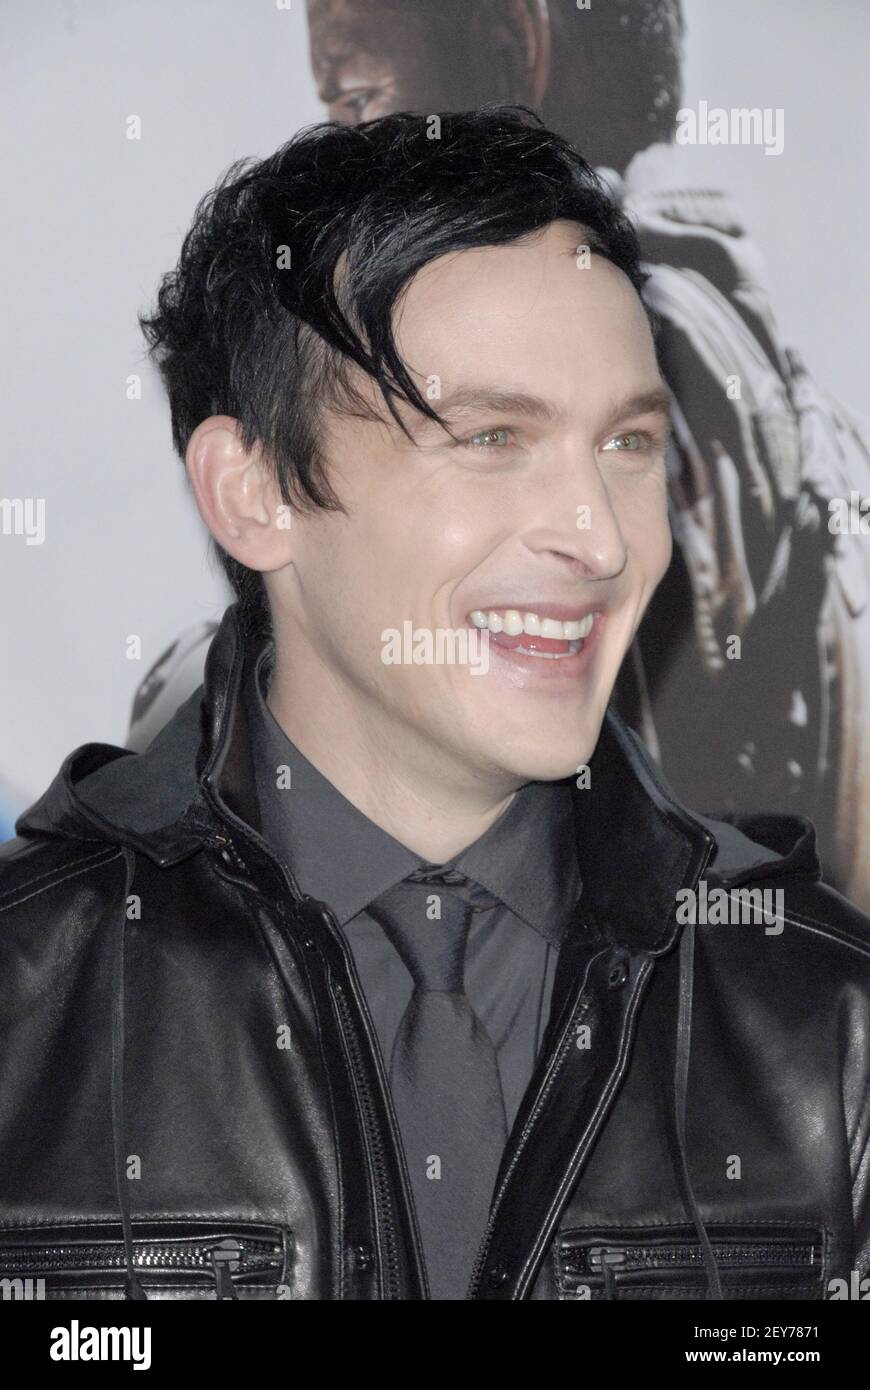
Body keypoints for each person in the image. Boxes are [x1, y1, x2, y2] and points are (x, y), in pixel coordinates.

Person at [1, 108, 867, 1302]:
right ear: (254, 493)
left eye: (626, 443)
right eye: (494, 436)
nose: (600, 537)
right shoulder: (25, 1002)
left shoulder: (834, 1027)